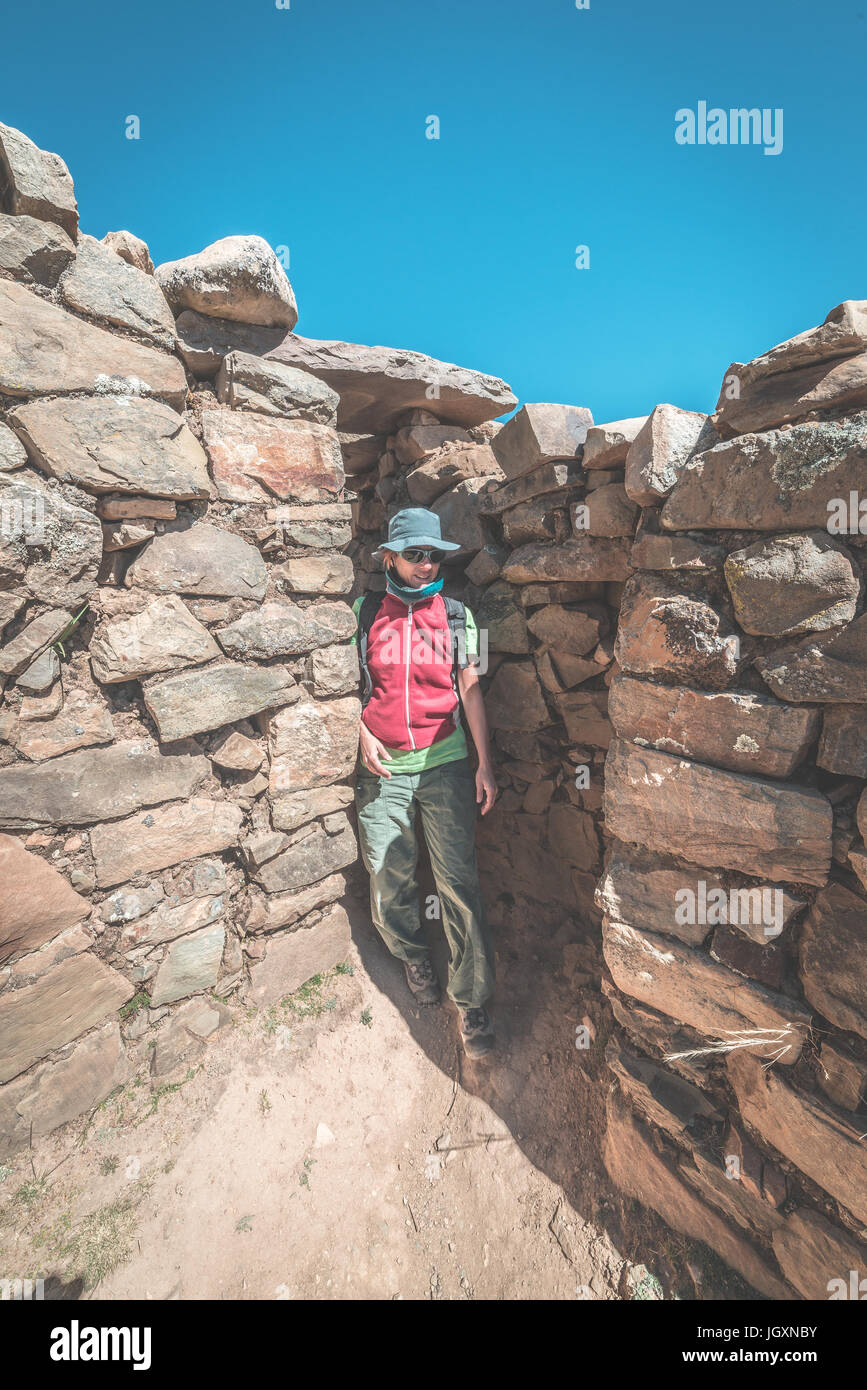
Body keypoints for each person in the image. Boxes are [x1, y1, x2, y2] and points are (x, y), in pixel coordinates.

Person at [350, 508, 498, 1059]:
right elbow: (345, 687)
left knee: (458, 882)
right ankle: (413, 955)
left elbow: (472, 692)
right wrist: (361, 730)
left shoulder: (459, 617)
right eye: (414, 554)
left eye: (433, 554)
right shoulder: (365, 615)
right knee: (388, 872)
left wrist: (485, 764)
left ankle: (472, 999)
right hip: (385, 767)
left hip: (446, 763)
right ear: (388, 558)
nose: (426, 564)